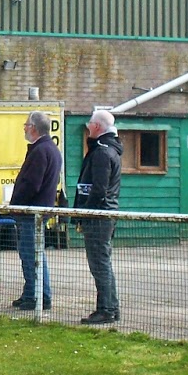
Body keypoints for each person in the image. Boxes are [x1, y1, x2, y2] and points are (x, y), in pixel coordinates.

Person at [73, 109, 123, 324]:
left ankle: (106, 309)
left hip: (99, 217)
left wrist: (85, 213)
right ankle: (110, 307)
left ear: (96, 127)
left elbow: (99, 189)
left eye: (90, 124)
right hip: (105, 214)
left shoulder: (102, 152)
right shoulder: (108, 150)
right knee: (103, 262)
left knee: (99, 264)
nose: (87, 128)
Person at [11, 110, 62, 311]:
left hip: (32, 212)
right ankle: (32, 292)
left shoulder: (40, 151)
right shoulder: (50, 149)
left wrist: (17, 203)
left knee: (32, 255)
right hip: (38, 210)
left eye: (26, 124)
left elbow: (32, 184)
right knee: (31, 254)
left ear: (33, 128)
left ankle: (39, 295)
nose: (24, 128)